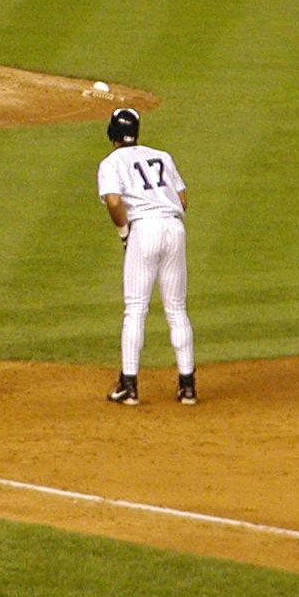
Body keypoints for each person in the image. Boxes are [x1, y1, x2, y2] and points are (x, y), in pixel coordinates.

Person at [99, 107, 195, 407]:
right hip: (174, 228)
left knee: (136, 309)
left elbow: (114, 202)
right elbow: (182, 199)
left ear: (112, 134)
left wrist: (125, 232)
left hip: (145, 229)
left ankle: (128, 386)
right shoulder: (162, 156)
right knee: (177, 309)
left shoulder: (111, 162)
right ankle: (187, 386)